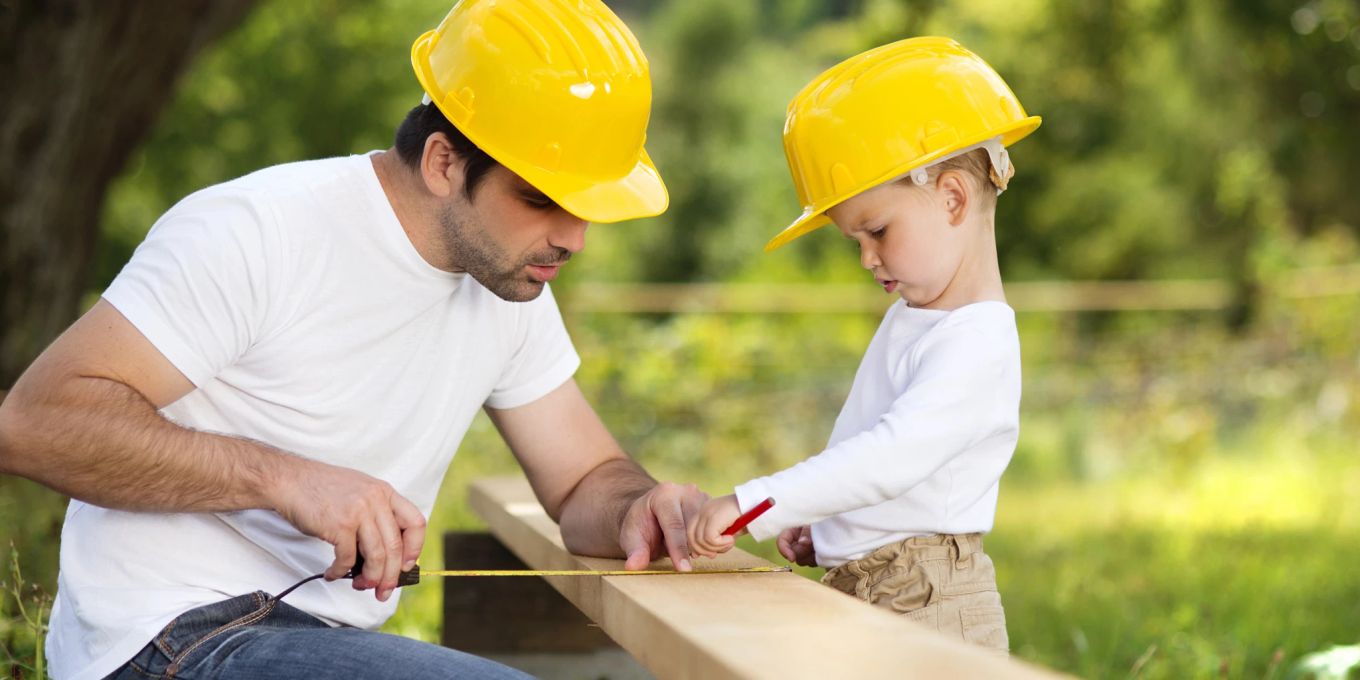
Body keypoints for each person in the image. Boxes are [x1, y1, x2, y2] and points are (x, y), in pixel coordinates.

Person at [0, 1, 708, 678]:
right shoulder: (256, 231)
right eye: (541, 199)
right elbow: (30, 425)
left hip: (319, 640)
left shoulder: (509, 278)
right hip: (167, 639)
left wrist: (640, 509)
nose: (574, 237)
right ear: (443, 163)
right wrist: (284, 479)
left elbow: (586, 481)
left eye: (590, 207)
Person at [686, 37, 1041, 655]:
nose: (866, 258)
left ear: (953, 198)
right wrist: (828, 529)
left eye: (876, 230)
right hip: (874, 589)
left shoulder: (977, 341)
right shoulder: (915, 316)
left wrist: (754, 508)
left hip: (930, 602)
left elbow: (890, 457)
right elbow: (875, 460)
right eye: (855, 239)